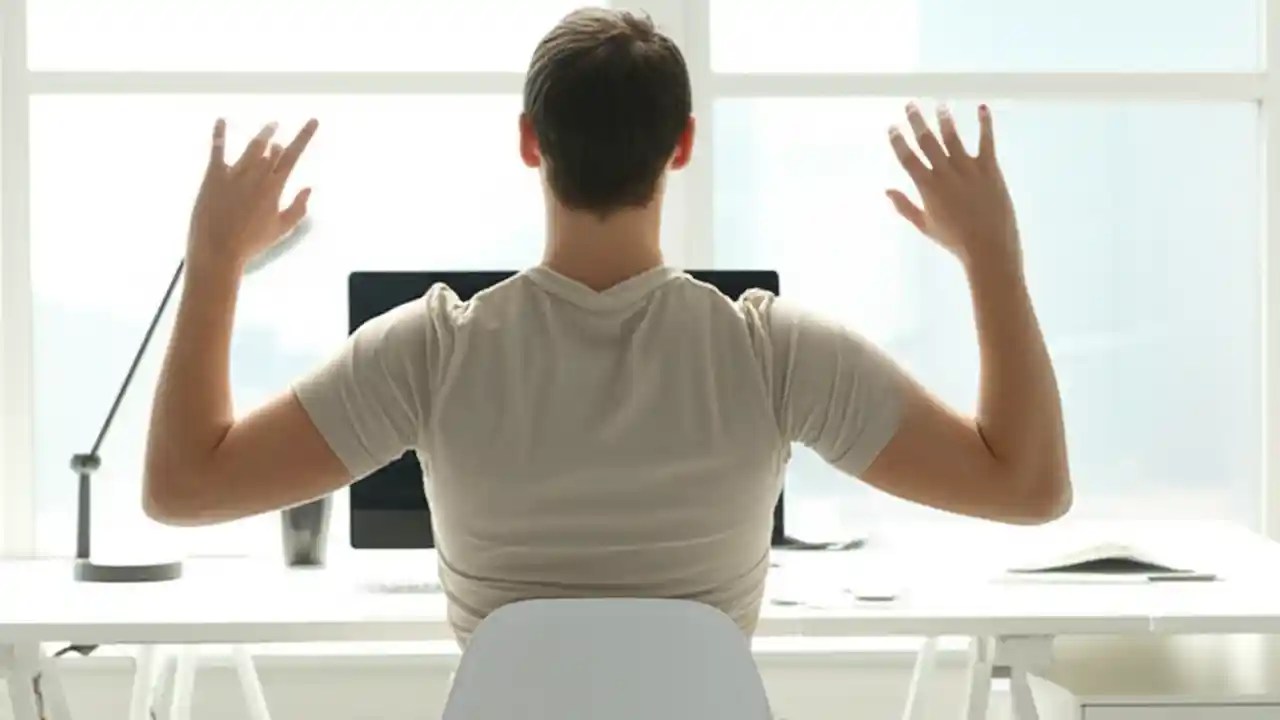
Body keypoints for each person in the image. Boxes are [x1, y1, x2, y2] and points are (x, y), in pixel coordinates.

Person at [143, 8, 1071, 646]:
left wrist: (216, 258)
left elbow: (183, 490)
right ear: (683, 144)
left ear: (528, 142)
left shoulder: (430, 352)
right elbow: (1029, 488)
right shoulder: (776, 354)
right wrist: (993, 256)